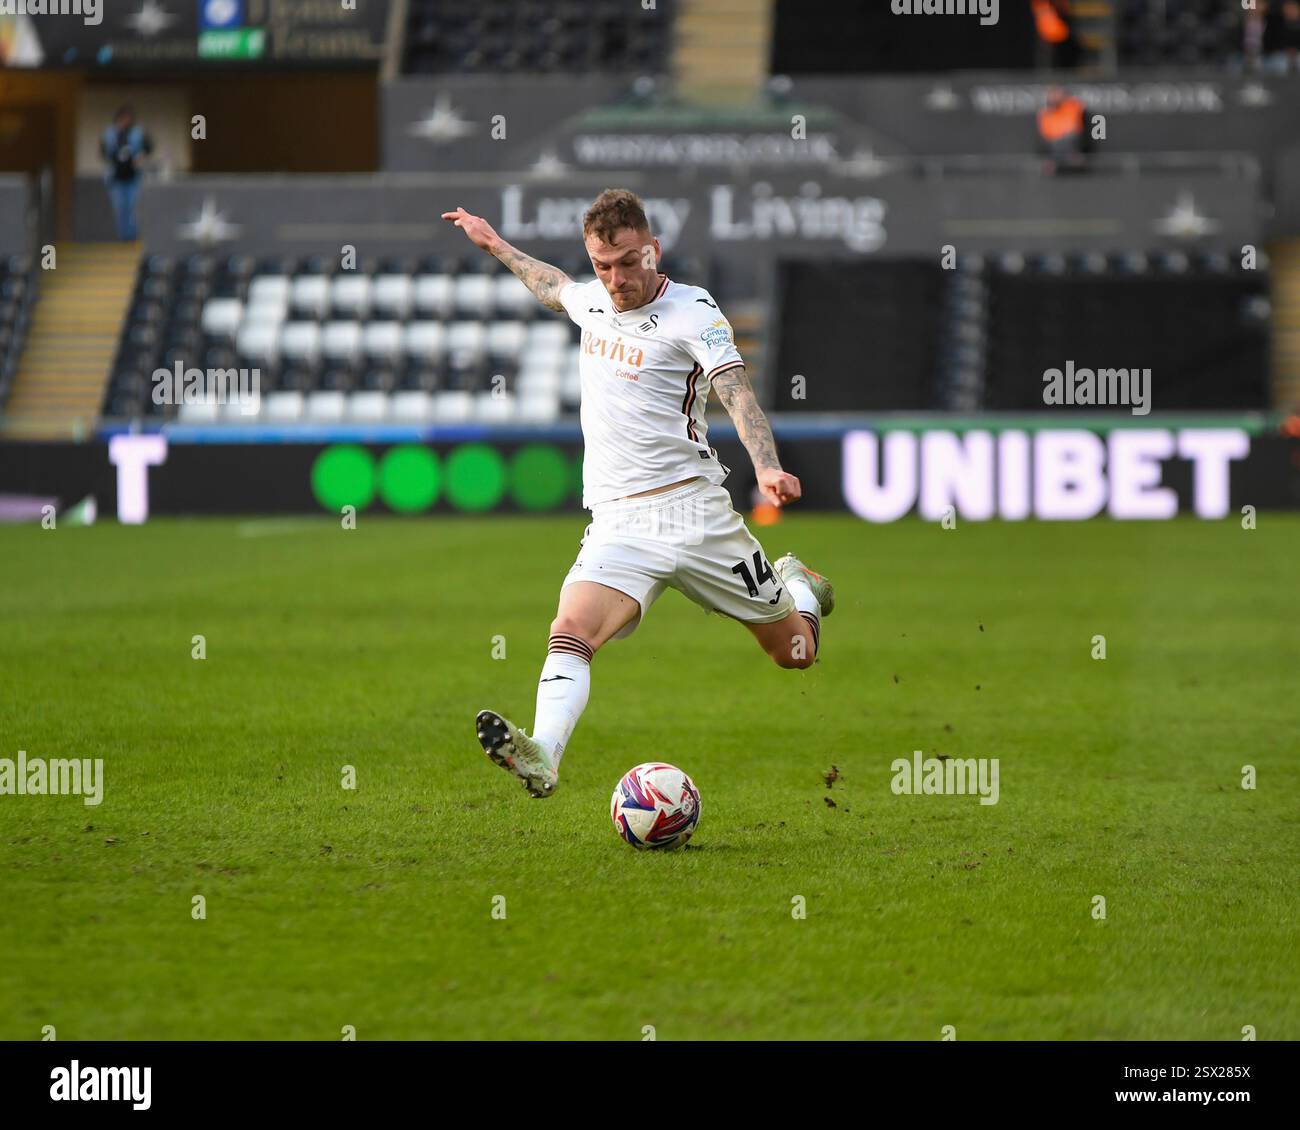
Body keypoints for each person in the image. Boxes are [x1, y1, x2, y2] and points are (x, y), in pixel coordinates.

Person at [441, 189, 835, 798]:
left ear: (652, 250)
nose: (617, 278)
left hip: (696, 514)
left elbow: (735, 390)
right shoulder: (593, 300)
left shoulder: (693, 312)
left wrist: (766, 466)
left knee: (795, 655)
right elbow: (551, 287)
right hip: (619, 521)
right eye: (603, 265)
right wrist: (494, 244)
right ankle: (544, 754)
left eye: (629, 261)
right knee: (570, 630)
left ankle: (801, 588)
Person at [101, 107, 152, 241]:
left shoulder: (137, 133)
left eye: (128, 119)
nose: (125, 121)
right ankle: (123, 238)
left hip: (133, 176)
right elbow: (103, 151)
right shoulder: (111, 134)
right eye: (123, 118)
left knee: (133, 207)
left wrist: (141, 156)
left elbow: (148, 147)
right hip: (117, 178)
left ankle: (132, 237)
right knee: (120, 209)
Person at [1036, 85, 1088, 175]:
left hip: (1073, 141)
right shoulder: (1045, 113)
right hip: (1054, 144)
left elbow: (1074, 127)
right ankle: (1068, 160)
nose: (1054, 96)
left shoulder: (1073, 106)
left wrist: (1062, 133)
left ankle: (1059, 161)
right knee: (1057, 142)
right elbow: (1046, 134)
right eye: (1051, 94)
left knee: (1067, 139)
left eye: (1056, 93)